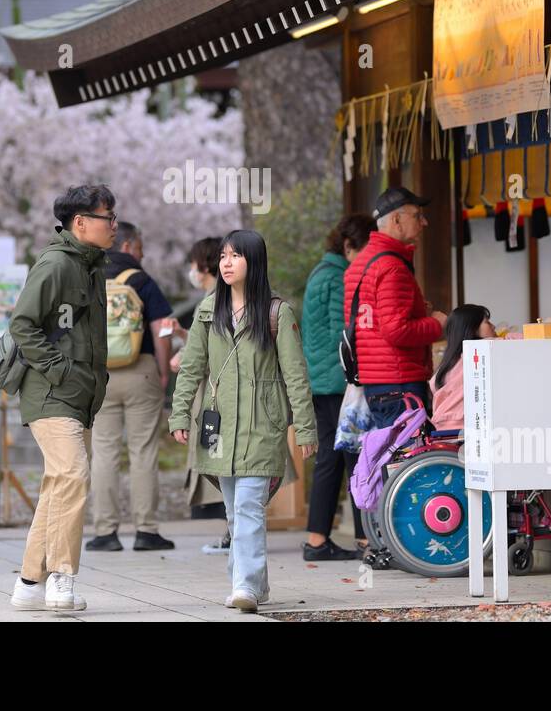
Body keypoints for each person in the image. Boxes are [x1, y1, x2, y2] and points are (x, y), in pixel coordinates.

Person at [170, 229, 317, 614]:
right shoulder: (207, 310)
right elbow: (191, 368)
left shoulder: (276, 312)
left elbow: (296, 374)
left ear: (255, 261)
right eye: (223, 256)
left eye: (236, 256)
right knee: (234, 511)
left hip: (261, 423)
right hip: (217, 425)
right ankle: (253, 583)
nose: (227, 263)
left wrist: (305, 427)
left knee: (250, 507)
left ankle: (245, 585)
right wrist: (180, 413)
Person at [9, 185, 113, 613]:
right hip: (51, 394)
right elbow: (23, 324)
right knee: (73, 476)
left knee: (58, 486)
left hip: (78, 395)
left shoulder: (93, 266)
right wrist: (61, 371)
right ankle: (62, 578)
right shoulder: (54, 265)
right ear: (81, 222)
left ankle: (28, 583)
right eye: (108, 217)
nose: (114, 225)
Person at [86, 221, 177, 553]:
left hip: (100, 375)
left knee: (104, 452)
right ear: (126, 246)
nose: (142, 253)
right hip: (141, 370)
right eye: (139, 246)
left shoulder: (90, 276)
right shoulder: (141, 280)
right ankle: (146, 530)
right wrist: (162, 370)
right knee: (143, 451)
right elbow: (161, 329)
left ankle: (105, 531)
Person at [301, 213, 376, 561]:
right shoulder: (337, 277)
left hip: (322, 379)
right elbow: (341, 333)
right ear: (348, 247)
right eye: (364, 251)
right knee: (355, 456)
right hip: (338, 380)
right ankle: (366, 541)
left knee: (331, 459)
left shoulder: (321, 273)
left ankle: (317, 540)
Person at [343, 186, 447, 430]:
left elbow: (368, 321)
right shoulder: (392, 266)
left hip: (375, 381)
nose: (424, 222)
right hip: (399, 381)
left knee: (391, 458)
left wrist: (417, 309)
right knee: (407, 459)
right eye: (417, 215)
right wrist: (436, 323)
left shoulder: (360, 264)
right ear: (397, 219)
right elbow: (396, 330)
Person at [168, 237, 228, 538]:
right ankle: (234, 533)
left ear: (204, 264)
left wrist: (185, 352)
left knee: (219, 458)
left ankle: (235, 533)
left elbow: (208, 352)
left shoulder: (216, 298)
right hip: (216, 394)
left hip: (216, 397)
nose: (192, 270)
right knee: (218, 458)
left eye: (193, 263)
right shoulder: (218, 297)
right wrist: (185, 337)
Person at [430, 305, 497, 433]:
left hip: (443, 426)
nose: (493, 326)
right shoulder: (479, 351)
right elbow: (513, 342)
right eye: (487, 322)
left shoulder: (449, 362)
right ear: (472, 328)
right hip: (465, 425)